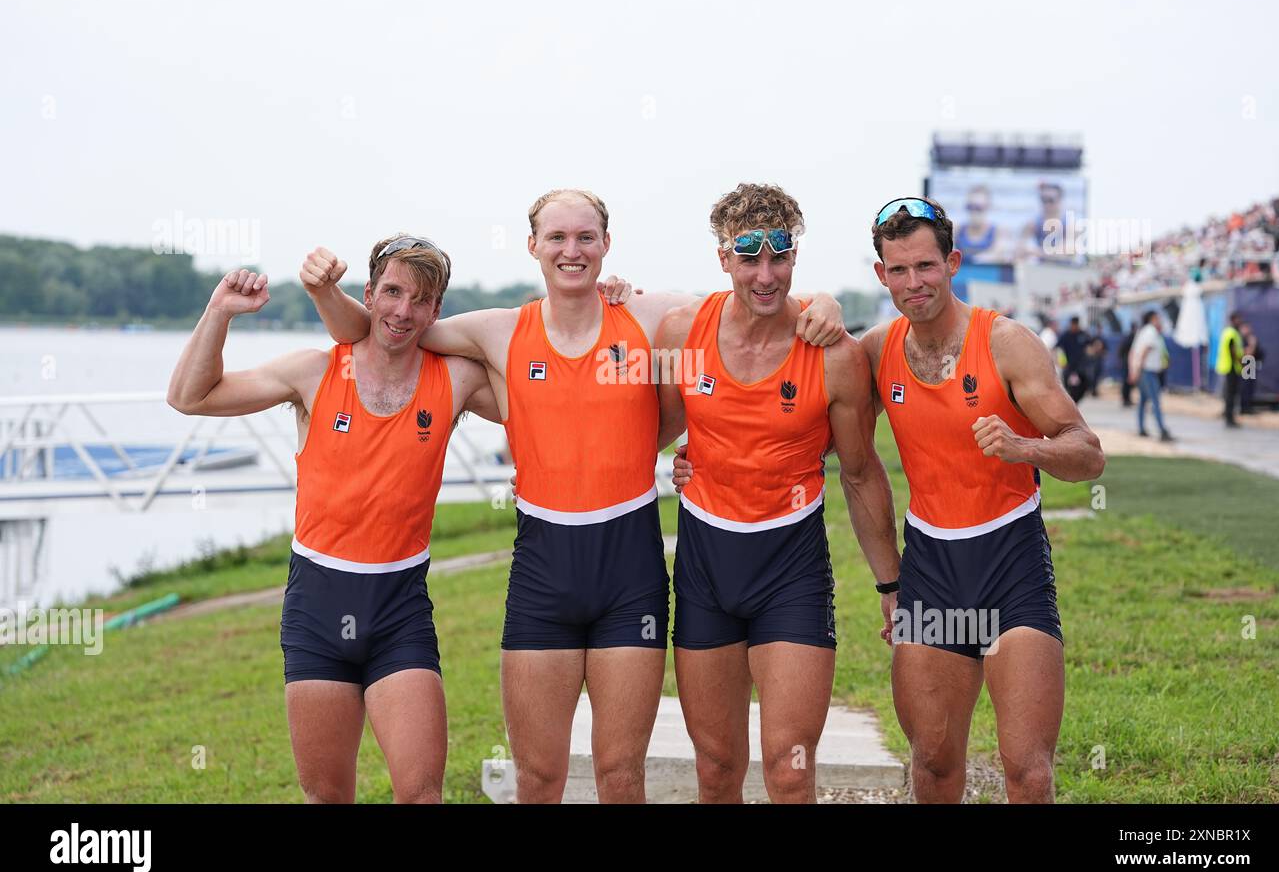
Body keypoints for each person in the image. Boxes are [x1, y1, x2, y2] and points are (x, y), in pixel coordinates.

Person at [300, 189, 846, 803]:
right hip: (543, 577)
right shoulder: (500, 331)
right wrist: (326, 294)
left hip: (629, 576)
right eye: (557, 237)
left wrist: (822, 303)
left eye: (586, 237)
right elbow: (388, 329)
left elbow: (754, 303)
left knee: (621, 775)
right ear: (532, 245)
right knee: (538, 778)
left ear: (606, 244)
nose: (572, 250)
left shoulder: (647, 318)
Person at [167, 235, 501, 803]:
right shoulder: (314, 371)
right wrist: (220, 311)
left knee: (422, 794)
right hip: (317, 609)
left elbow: (544, 402)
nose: (403, 311)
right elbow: (189, 396)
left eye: (420, 300)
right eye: (392, 292)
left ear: (436, 310)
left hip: (399, 610)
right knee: (327, 798)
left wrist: (605, 306)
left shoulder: (457, 379)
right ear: (368, 294)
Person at [657, 183, 898, 803]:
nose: (766, 276)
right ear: (723, 258)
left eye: (780, 257)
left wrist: (892, 586)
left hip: (791, 570)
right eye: (749, 257)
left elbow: (860, 472)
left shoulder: (833, 354)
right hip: (706, 568)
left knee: (789, 771)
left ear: (795, 255)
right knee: (716, 768)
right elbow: (647, 432)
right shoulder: (682, 332)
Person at [863, 197, 1103, 803]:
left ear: (953, 263)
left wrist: (1025, 447)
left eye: (926, 266)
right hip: (930, 569)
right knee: (933, 764)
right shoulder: (876, 350)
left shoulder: (1006, 343)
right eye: (899, 270)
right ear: (882, 275)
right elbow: (808, 430)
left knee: (1027, 770)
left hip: (1010, 564)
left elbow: (1088, 453)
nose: (914, 283)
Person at [1128, 310, 1174, 442]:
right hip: (1147, 371)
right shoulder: (1151, 332)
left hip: (1144, 371)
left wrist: (1134, 370)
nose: (1160, 321)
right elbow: (1144, 351)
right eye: (1158, 318)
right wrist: (1137, 370)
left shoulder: (1143, 331)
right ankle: (1162, 430)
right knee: (1155, 400)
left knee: (1143, 400)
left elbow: (1134, 352)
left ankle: (1141, 428)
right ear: (1153, 319)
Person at [1215, 312, 1245, 427]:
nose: (1240, 321)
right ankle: (1229, 418)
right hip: (1231, 367)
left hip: (1230, 367)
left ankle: (1229, 416)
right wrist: (1240, 361)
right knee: (1231, 394)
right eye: (1238, 319)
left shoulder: (1229, 332)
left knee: (1229, 393)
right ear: (1233, 320)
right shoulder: (1232, 333)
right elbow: (1232, 350)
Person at [1239, 321, 1263, 414]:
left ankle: (1248, 406)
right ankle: (1244, 408)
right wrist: (1252, 345)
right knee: (1245, 388)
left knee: (1250, 388)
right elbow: (1247, 353)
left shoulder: (1250, 338)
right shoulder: (1242, 339)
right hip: (1246, 366)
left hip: (1251, 365)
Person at [1117, 322, 1138, 407]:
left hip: (1129, 363)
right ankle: (1125, 399)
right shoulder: (1130, 338)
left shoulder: (1131, 337)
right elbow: (1122, 350)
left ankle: (1127, 398)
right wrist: (1122, 360)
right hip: (1127, 363)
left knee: (1129, 382)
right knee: (1126, 382)